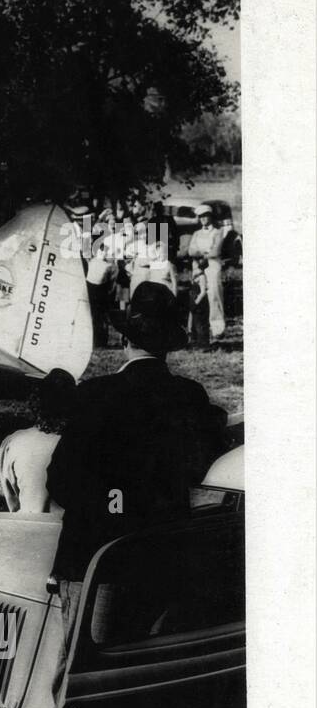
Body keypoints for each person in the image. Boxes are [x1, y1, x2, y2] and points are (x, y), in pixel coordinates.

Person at [45, 281, 226, 661]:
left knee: (86, 680)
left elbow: (60, 481)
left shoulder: (95, 394)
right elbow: (206, 461)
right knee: (145, 677)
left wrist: (111, 507)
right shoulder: (190, 397)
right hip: (166, 555)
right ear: (167, 346)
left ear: (125, 340)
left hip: (98, 558)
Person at [0, 369, 77, 513]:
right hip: (73, 532)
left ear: (37, 402)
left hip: (29, 528)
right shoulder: (88, 443)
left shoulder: (14, 442)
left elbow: (14, 503)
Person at [186, 203, 226, 343]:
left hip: (212, 266)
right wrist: (204, 253)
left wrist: (203, 254)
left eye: (205, 216)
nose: (203, 219)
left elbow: (216, 250)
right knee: (198, 296)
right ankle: (196, 331)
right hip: (198, 266)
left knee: (214, 294)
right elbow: (191, 250)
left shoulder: (218, 232)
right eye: (200, 216)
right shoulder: (197, 233)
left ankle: (217, 329)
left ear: (210, 216)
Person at [188, 257, 212, 347]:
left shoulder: (202, 276)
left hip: (200, 303)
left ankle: (203, 343)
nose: (193, 265)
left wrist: (196, 302)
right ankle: (195, 341)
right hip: (194, 301)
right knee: (194, 322)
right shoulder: (194, 275)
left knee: (201, 323)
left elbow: (203, 292)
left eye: (195, 263)